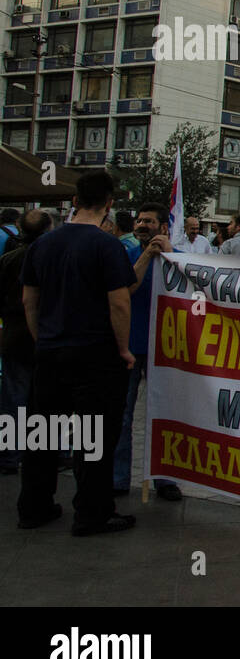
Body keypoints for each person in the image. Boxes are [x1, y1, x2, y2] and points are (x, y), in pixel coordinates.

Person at [18, 170, 137, 535]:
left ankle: (34, 507)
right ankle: (92, 513)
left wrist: (42, 340)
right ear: (109, 204)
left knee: (42, 434)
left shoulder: (42, 245)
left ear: (74, 201)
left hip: (51, 352)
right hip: (96, 354)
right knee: (94, 437)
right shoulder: (107, 246)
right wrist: (123, 349)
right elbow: (119, 303)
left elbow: (29, 300)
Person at [116, 203, 182, 502]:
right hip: (131, 345)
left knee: (163, 414)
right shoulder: (125, 256)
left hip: (165, 349)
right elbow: (126, 287)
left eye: (149, 221)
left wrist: (170, 255)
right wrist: (146, 256)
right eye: (139, 221)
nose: (142, 225)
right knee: (123, 415)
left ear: (163, 227)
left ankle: (165, 478)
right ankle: (118, 477)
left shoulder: (178, 257)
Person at [0, 210, 53, 473]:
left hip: (14, 336)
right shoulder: (53, 260)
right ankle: (47, 452)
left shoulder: (8, 260)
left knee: (13, 399)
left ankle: (9, 456)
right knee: (47, 399)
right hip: (47, 337)